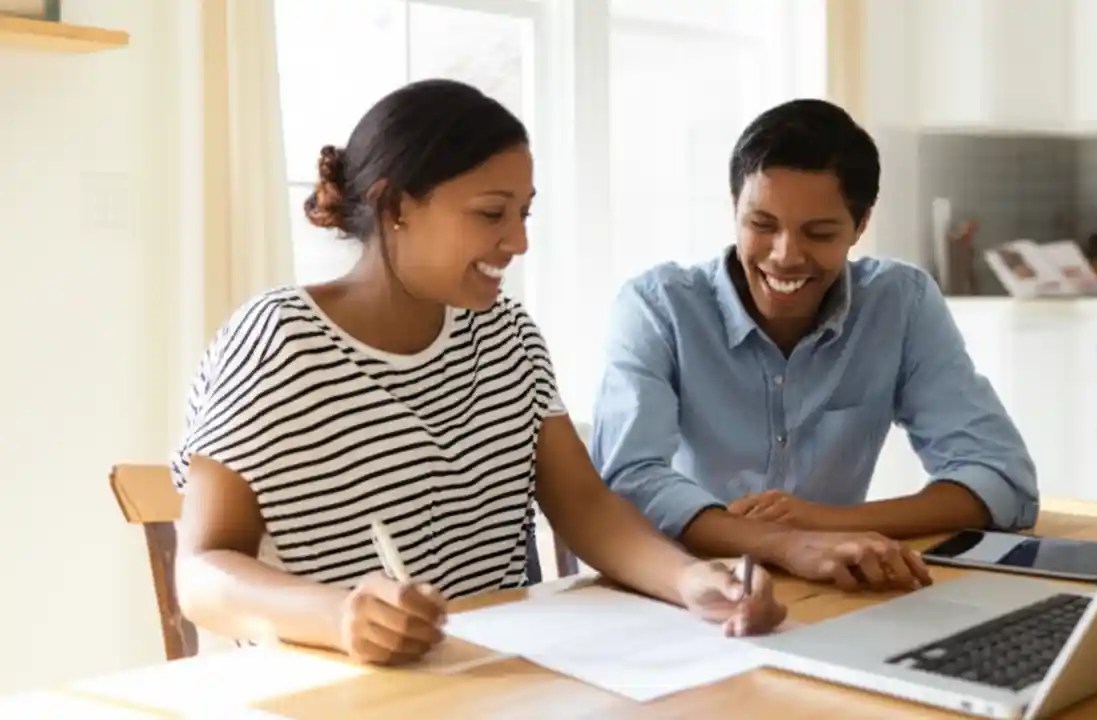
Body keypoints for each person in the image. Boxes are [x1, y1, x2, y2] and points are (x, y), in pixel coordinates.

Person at [169, 79, 789, 667]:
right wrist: (340, 617)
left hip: (489, 675)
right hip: (332, 686)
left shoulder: (508, 336)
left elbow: (583, 505)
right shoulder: (278, 339)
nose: (517, 242)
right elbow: (200, 573)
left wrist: (688, 578)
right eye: (492, 214)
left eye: (524, 213)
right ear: (396, 207)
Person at [589, 98, 1036, 591]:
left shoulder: (900, 303)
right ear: (733, 207)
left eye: (819, 233)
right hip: (679, 592)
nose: (784, 256)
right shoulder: (657, 308)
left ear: (860, 225)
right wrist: (782, 543)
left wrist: (822, 523)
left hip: (830, 588)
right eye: (761, 225)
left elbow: (1002, 479)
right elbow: (626, 487)